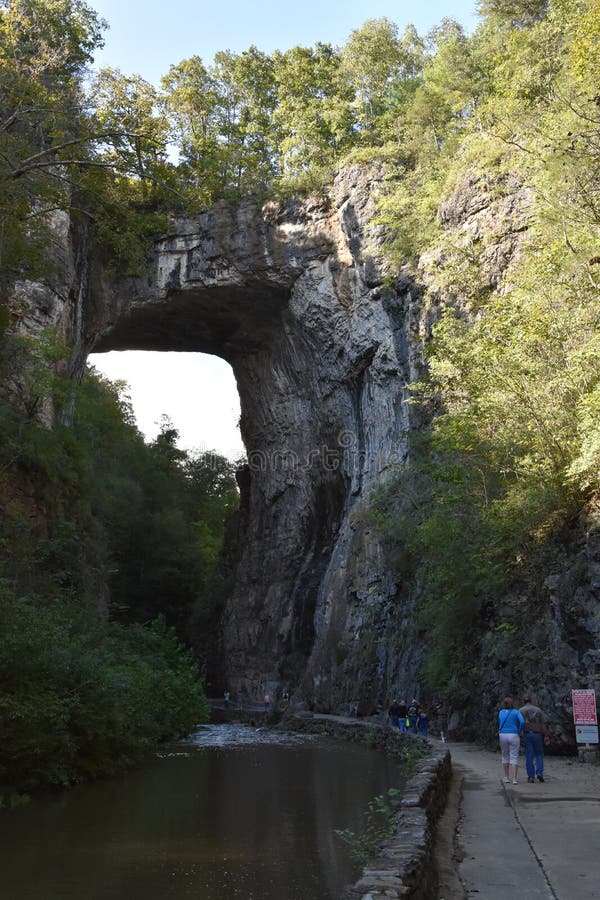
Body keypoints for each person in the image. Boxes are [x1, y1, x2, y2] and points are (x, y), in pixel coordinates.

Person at [519, 694, 550, 783]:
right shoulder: (538, 710)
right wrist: (546, 735)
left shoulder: (521, 710)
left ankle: (531, 777)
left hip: (527, 734)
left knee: (529, 756)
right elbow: (543, 725)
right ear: (531, 701)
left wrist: (519, 733)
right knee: (539, 754)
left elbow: (519, 723)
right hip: (538, 734)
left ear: (524, 702)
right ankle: (539, 773)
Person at [498, 696, 525, 784]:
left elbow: (500, 722)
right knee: (514, 756)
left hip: (503, 734)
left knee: (505, 755)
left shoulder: (501, 712)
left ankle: (506, 777)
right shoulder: (516, 712)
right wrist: (519, 730)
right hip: (513, 735)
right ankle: (514, 779)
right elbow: (522, 722)